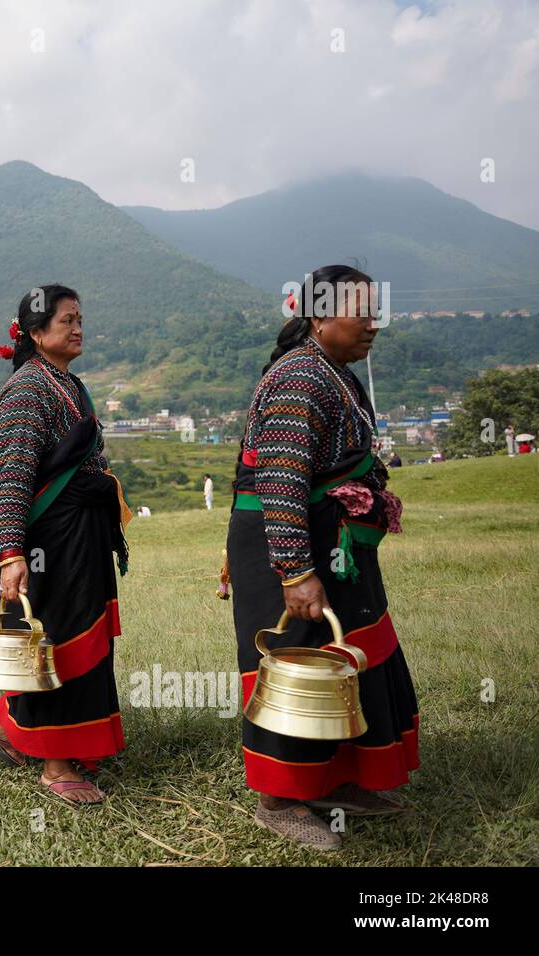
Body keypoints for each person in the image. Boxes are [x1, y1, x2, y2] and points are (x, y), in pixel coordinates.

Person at [227, 265, 417, 851]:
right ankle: (279, 799)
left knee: (354, 648)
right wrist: (297, 571)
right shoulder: (299, 378)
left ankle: (338, 778)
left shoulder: (333, 373)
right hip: (293, 543)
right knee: (297, 660)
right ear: (318, 316)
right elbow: (282, 479)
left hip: (332, 541)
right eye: (359, 312)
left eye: (373, 311)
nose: (371, 325)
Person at [0, 286, 131, 805]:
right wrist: (13, 552)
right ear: (36, 333)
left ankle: (3, 724)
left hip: (81, 533)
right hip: (50, 538)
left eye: (81, 319)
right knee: (63, 640)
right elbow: (14, 476)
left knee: (87, 635)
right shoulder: (25, 390)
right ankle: (56, 763)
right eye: (67, 321)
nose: (78, 328)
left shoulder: (70, 384)